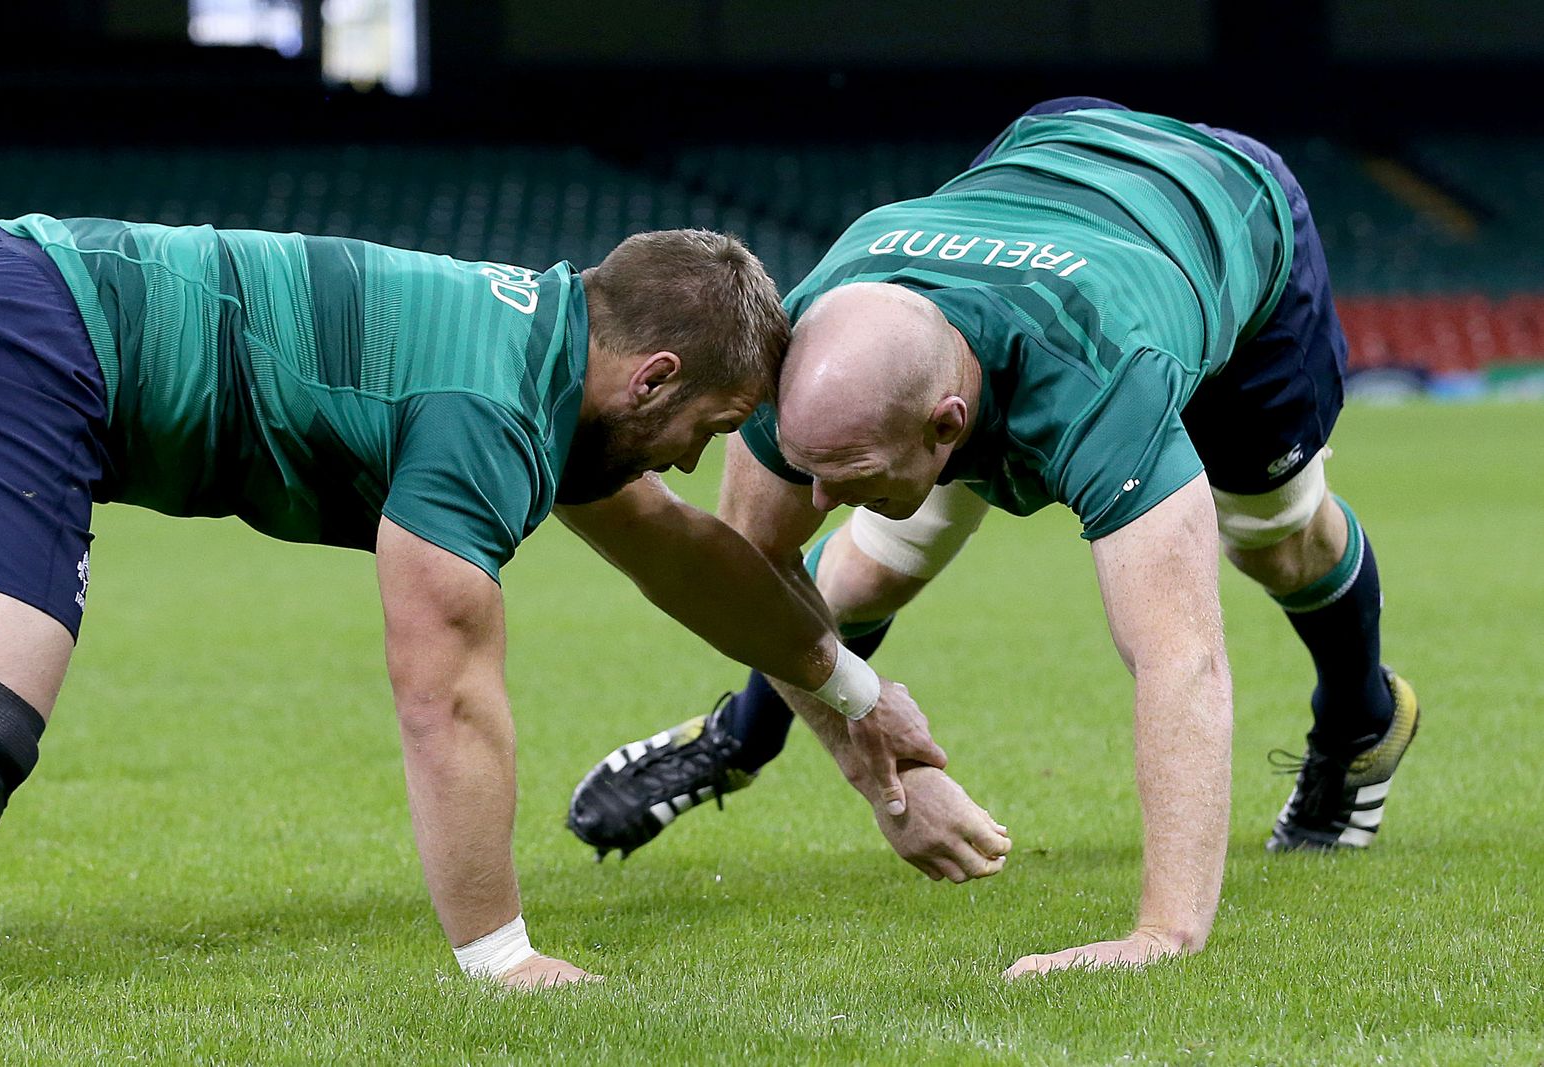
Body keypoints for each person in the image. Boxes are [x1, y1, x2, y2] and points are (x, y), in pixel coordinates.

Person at [0, 216, 954, 989]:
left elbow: (682, 554)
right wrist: (501, 953)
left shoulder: (544, 350)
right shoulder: (495, 407)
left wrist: (851, 690)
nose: (688, 463)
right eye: (707, 428)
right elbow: (440, 689)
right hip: (7, 344)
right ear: (657, 378)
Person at [566, 98, 1420, 977]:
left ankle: (1361, 723)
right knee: (858, 576)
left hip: (1226, 214)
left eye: (845, 472)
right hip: (1049, 156)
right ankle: (739, 737)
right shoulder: (802, 343)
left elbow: (1181, 659)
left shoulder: (1104, 385)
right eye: (808, 466)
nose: (819, 496)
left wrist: (1158, 934)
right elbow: (750, 575)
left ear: (949, 426)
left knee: (1274, 538)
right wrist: (890, 774)